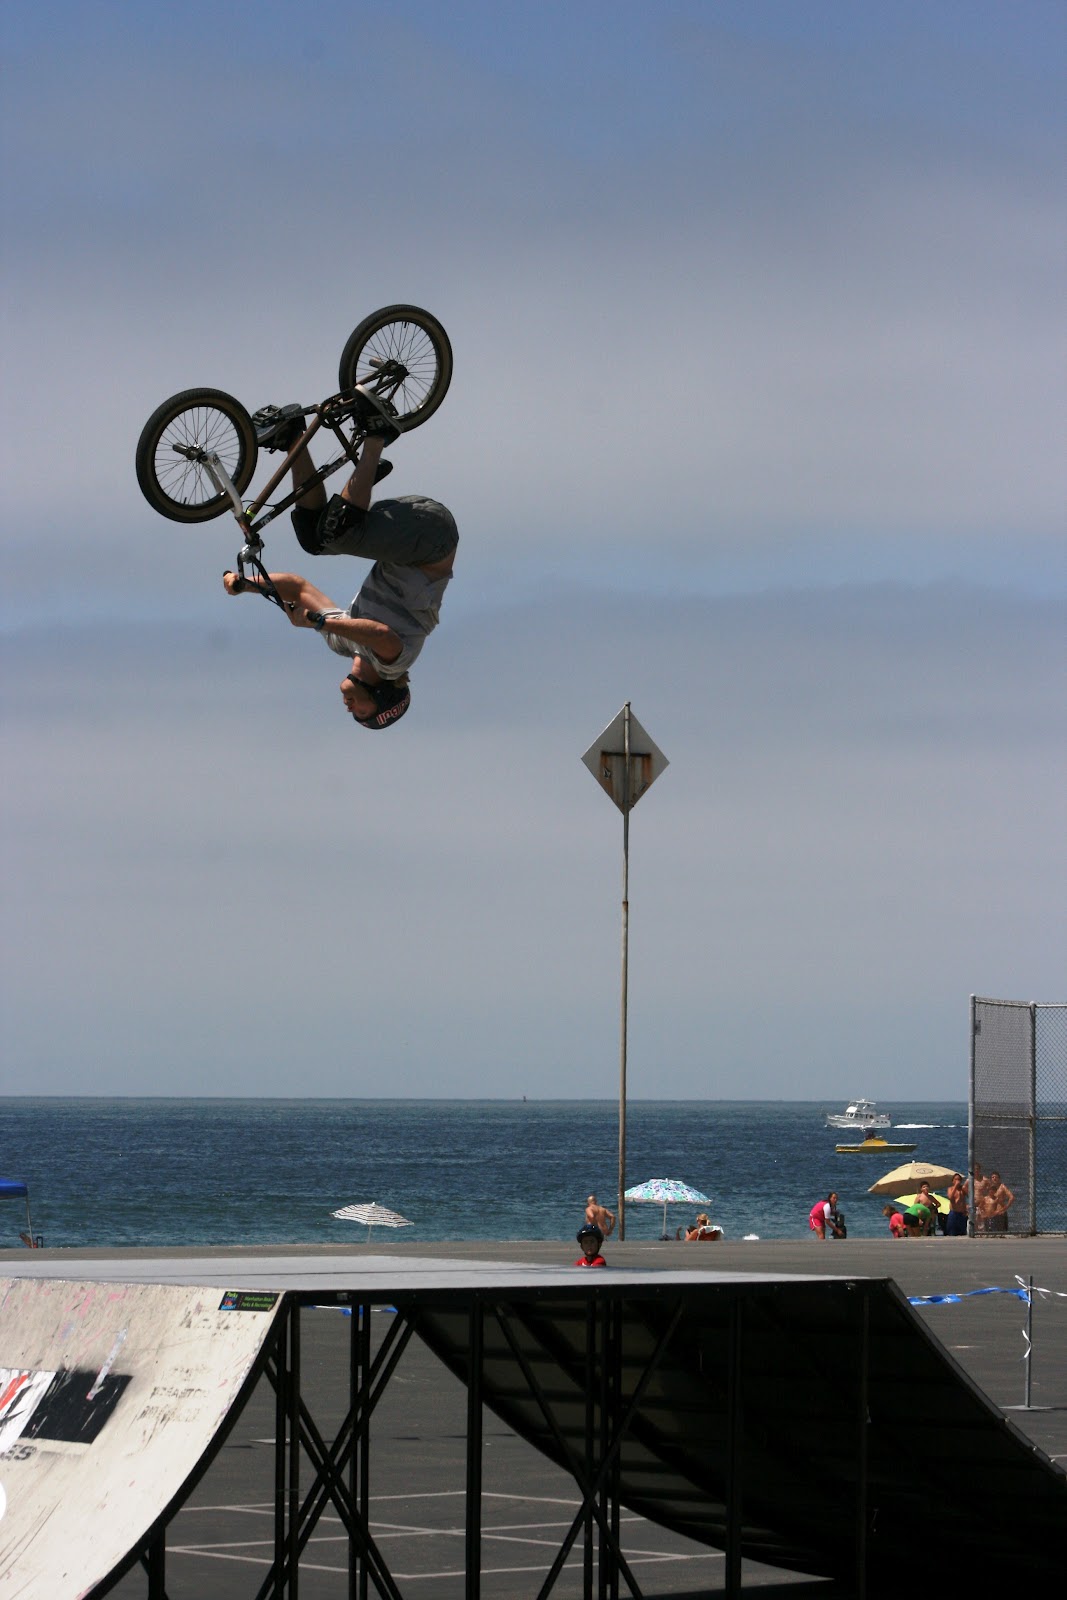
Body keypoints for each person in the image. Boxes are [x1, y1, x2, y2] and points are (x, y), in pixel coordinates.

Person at [223, 389, 458, 730]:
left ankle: (293, 438)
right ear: (380, 698)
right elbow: (380, 634)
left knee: (313, 536)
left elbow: (299, 588)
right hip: (432, 540)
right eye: (360, 712)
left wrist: (247, 585)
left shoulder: (344, 643)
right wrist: (319, 622)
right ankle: (376, 435)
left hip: (405, 535)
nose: (348, 708)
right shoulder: (394, 663)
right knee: (338, 535)